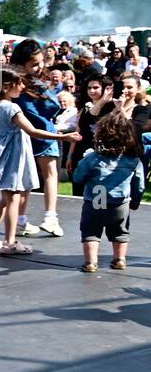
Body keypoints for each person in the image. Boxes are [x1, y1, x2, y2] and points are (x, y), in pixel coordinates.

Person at [0, 69, 81, 255]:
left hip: (4, 157)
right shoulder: (11, 108)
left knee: (7, 199)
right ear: (8, 87)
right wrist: (63, 137)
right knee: (13, 198)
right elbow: (33, 131)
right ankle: (10, 242)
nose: (23, 87)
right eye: (20, 83)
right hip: (11, 159)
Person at [72, 112, 144, 273]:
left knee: (90, 232)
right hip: (119, 203)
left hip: (94, 201)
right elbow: (139, 184)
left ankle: (90, 262)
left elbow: (78, 177)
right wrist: (135, 200)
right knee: (120, 232)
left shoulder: (92, 158)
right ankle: (119, 259)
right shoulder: (132, 160)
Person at [13, 39, 64, 238]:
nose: (39, 66)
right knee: (50, 174)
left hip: (25, 133)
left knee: (27, 179)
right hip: (43, 132)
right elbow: (54, 106)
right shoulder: (36, 84)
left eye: (40, 62)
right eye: (34, 64)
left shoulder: (14, 82)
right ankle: (50, 217)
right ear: (22, 64)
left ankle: (21, 220)